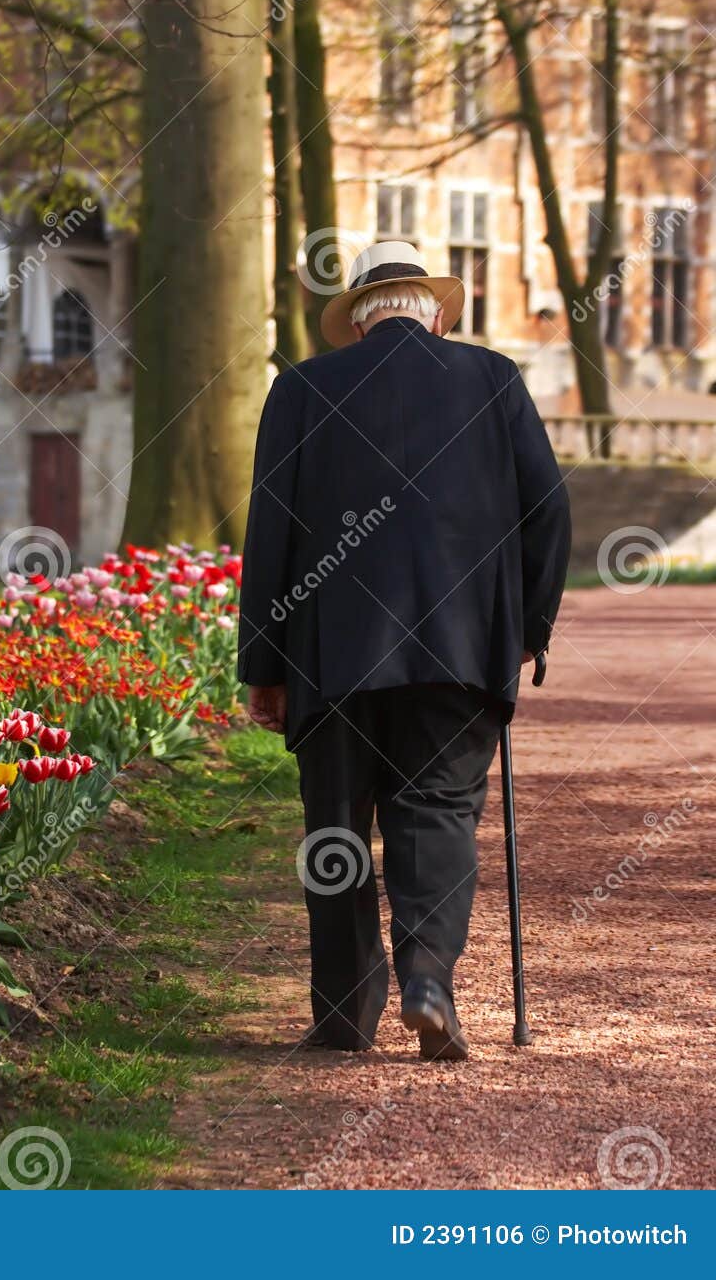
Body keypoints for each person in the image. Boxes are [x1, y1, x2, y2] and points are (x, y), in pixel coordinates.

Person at [237, 240, 571, 1060]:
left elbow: (269, 536)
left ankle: (345, 1015)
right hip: (461, 647)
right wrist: (525, 628)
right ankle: (428, 977)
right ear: (437, 312)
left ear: (357, 321)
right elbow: (550, 510)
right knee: (438, 809)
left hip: (333, 654)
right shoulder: (493, 380)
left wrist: (265, 665)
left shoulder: (302, 389)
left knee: (336, 828)